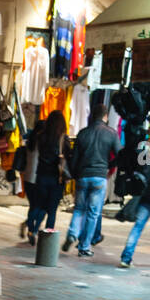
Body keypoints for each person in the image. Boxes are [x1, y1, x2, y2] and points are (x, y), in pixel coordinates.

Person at [62, 104, 120, 257]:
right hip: (99, 176)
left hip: (83, 176)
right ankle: (84, 246)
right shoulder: (111, 134)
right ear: (106, 116)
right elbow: (120, 155)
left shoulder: (83, 133)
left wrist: (75, 174)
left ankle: (72, 233)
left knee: (79, 209)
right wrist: (109, 165)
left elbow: (74, 158)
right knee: (93, 213)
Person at [26, 110, 71, 244]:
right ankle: (47, 241)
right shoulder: (63, 138)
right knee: (51, 210)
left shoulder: (41, 136)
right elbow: (69, 156)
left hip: (41, 176)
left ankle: (32, 230)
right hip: (56, 179)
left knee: (38, 205)